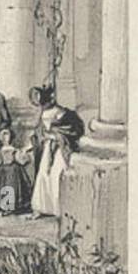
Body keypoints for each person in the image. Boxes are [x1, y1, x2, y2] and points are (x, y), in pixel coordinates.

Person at [29, 85, 84, 218]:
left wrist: (55, 135)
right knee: (43, 174)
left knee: (56, 175)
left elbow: (71, 130)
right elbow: (40, 131)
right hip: (48, 147)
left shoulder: (62, 112)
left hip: (59, 149)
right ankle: (41, 208)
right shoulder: (43, 113)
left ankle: (58, 208)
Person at [0, 127, 32, 214]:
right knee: (5, 188)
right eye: (4, 136)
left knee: (13, 188)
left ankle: (14, 206)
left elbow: (22, 160)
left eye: (7, 135)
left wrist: (22, 156)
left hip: (14, 171)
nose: (6, 138)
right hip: (3, 172)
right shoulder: (1, 150)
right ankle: (6, 206)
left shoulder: (14, 149)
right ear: (1, 138)